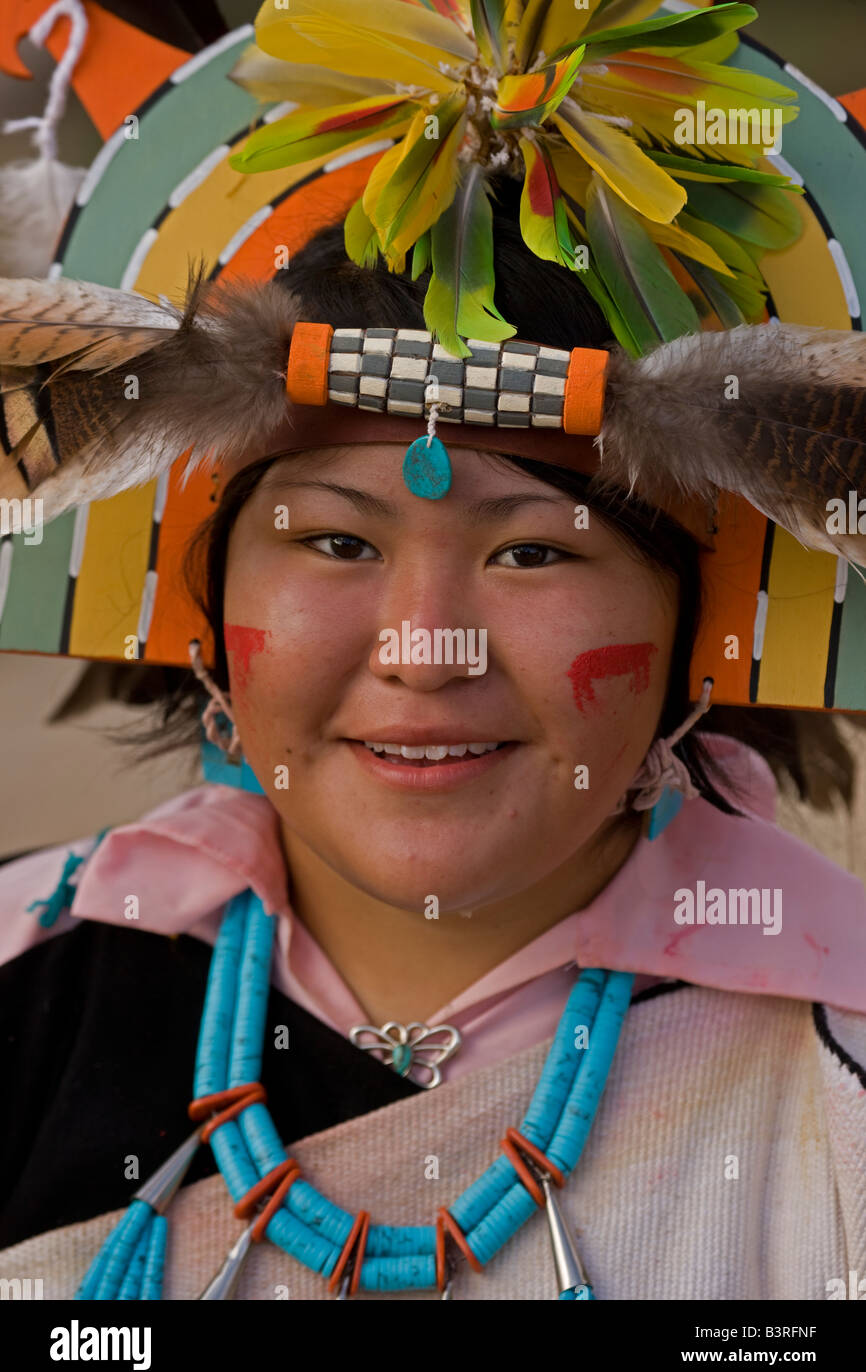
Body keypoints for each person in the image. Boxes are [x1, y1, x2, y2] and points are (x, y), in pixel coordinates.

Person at [0, 0, 864, 1302]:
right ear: (201, 601)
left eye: (532, 551)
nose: (423, 647)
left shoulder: (834, 1057)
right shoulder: (26, 974)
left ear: (696, 625)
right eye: (336, 543)